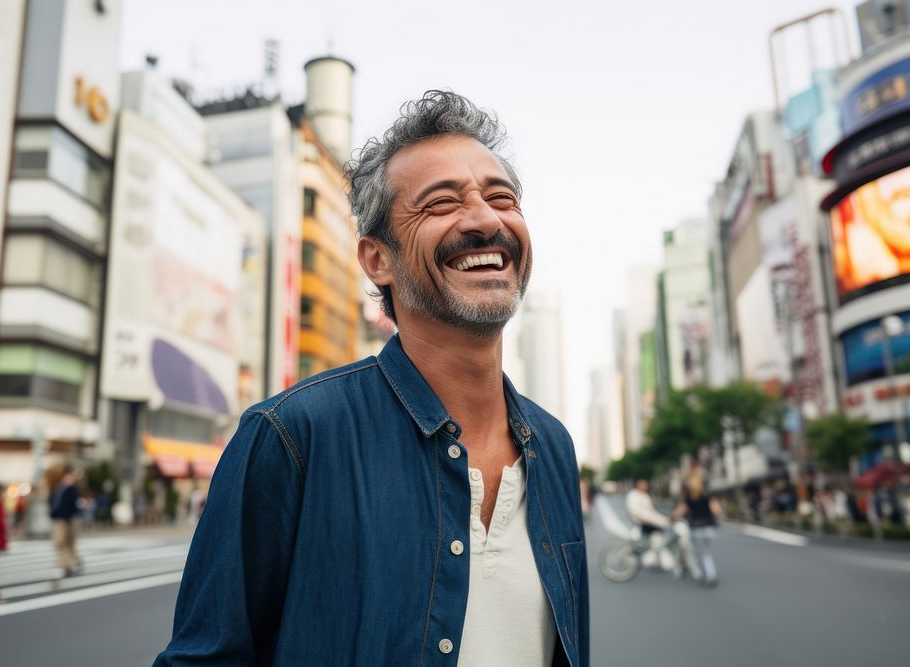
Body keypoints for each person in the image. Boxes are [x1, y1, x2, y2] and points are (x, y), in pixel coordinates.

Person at [155, 91, 589, 666]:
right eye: (441, 203)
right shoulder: (290, 437)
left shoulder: (553, 445)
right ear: (377, 259)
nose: (486, 219)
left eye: (501, 197)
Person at [672, 470, 722, 586]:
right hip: (709, 529)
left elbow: (679, 512)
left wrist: (672, 518)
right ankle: (711, 575)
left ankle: (698, 574)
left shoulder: (689, 498)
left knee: (694, 553)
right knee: (706, 553)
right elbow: (717, 511)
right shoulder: (709, 496)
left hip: (695, 529)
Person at [49, 465, 82, 577]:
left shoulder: (72, 489)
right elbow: (52, 501)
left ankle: (73, 562)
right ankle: (68, 564)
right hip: (59, 519)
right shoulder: (58, 488)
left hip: (69, 519)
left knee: (69, 543)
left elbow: (73, 505)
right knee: (61, 542)